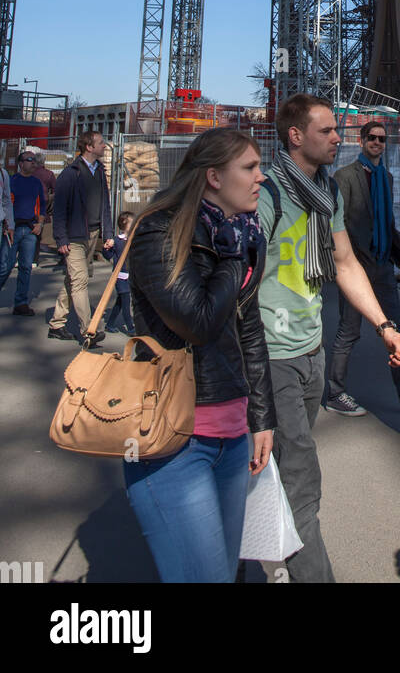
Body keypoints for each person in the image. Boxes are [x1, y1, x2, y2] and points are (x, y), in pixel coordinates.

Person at [256, 94, 400, 582]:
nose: (337, 138)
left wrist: (384, 325)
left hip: (309, 350)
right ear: (295, 136)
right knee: (301, 476)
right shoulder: (266, 193)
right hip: (270, 355)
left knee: (269, 469)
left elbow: (344, 263)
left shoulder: (327, 194)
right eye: (326, 131)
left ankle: (233, 559)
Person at [125, 128, 275, 584]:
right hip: (173, 438)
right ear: (213, 176)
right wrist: (233, 258)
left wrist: (262, 417)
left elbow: (248, 327)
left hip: (231, 434)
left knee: (228, 574)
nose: (260, 178)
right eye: (248, 168)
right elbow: (198, 321)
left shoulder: (245, 234)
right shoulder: (161, 230)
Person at [328, 121, 400, 414]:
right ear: (361, 140)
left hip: (382, 266)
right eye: (372, 138)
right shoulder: (344, 177)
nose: (377, 143)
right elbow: (338, 224)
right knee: (349, 331)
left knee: (397, 329)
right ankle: (335, 393)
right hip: (356, 267)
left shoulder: (387, 179)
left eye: (381, 139)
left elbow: (387, 223)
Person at [48, 131, 114, 343]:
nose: (104, 146)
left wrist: (108, 233)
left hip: (92, 234)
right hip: (74, 236)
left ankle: (57, 324)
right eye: (101, 143)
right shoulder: (71, 173)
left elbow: (105, 205)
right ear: (89, 147)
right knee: (80, 281)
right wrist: (61, 238)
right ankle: (89, 330)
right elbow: (58, 210)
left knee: (73, 280)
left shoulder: (100, 172)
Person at [0, 150, 46, 315]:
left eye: (34, 160)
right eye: (29, 160)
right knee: (6, 265)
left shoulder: (36, 183)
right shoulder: (12, 181)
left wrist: (39, 224)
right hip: (13, 229)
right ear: (20, 163)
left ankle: (21, 303)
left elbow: (42, 204)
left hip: (29, 229)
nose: (33, 163)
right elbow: (6, 203)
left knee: (26, 267)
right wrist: (7, 224)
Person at [105, 210, 135, 335]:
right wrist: (106, 248)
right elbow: (108, 255)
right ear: (124, 224)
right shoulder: (117, 240)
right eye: (131, 223)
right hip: (120, 277)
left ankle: (110, 324)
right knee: (126, 304)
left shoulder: (133, 239)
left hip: (130, 277)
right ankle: (131, 328)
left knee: (120, 302)